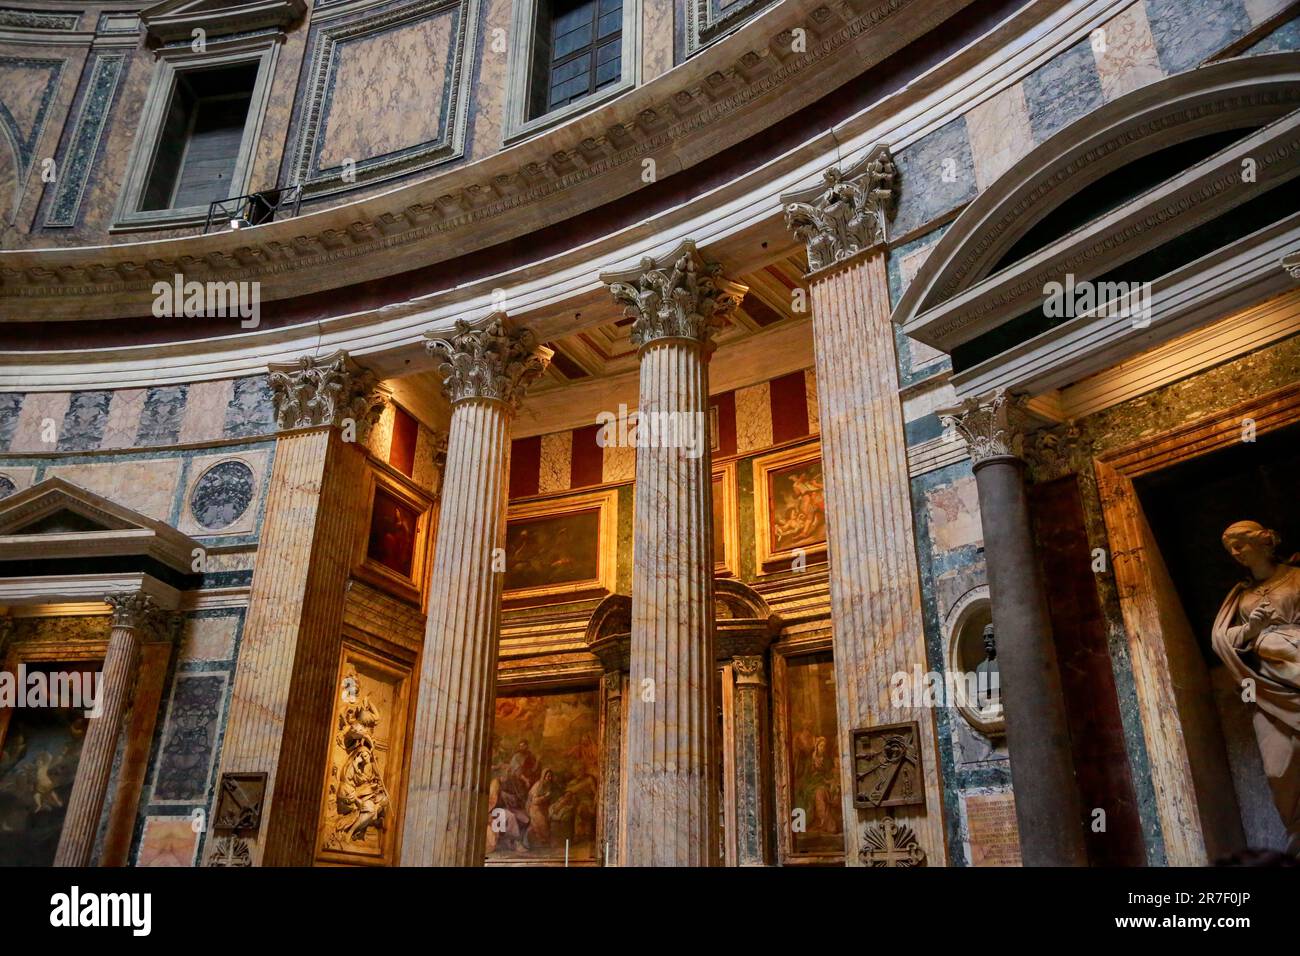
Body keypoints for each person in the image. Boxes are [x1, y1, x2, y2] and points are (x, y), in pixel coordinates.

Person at [1212, 520, 1300, 856]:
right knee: (1278, 766)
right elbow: (1224, 639)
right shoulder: (1242, 595)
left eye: (1240, 544)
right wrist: (1252, 628)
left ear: (1263, 542)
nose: (1235, 553)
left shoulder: (1296, 577)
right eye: (1230, 548)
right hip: (1265, 687)